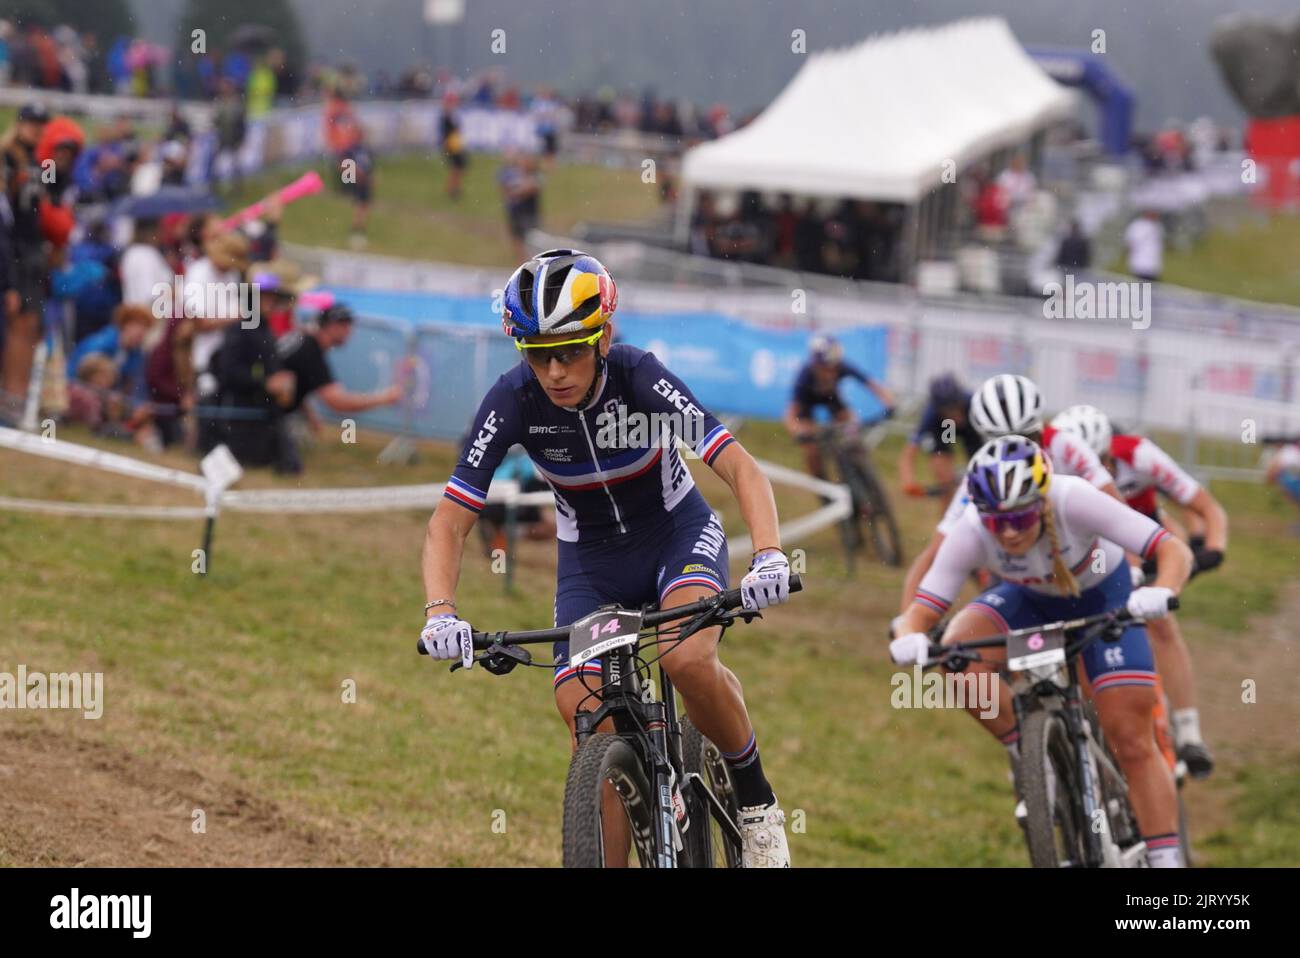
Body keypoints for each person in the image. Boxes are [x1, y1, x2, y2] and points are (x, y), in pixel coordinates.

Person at [419, 249, 793, 866]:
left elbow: (738, 466)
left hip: (676, 535)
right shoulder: (512, 399)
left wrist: (771, 556)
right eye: (538, 355)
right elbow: (448, 522)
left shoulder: (639, 374)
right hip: (591, 562)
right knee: (583, 713)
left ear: (603, 338)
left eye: (569, 351)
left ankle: (756, 805)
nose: (554, 371)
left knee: (684, 657)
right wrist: (441, 611)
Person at [890, 435, 1193, 867]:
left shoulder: (1076, 500)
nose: (1009, 532)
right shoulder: (973, 529)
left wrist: (1162, 589)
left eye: (1021, 517)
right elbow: (921, 611)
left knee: (1130, 736)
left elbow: (1171, 549)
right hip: (1029, 601)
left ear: (1044, 501)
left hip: (1103, 597)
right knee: (957, 656)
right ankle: (1033, 757)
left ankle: (1166, 859)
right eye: (997, 522)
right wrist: (910, 636)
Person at [1052, 404, 1228, 778]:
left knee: (1159, 622)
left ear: (1110, 453)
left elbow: (1206, 506)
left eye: (1103, 464)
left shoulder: (1140, 455)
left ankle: (1188, 729)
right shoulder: (1055, 471)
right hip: (1090, 548)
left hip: (1144, 537)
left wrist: (1213, 548)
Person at [896, 374, 1121, 621]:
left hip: (1085, 565)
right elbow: (934, 552)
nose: (1018, 452)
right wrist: (908, 622)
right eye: (1003, 443)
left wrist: (1134, 568)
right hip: (1022, 574)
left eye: (1027, 438)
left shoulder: (1064, 445)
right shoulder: (977, 468)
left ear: (1039, 429)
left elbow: (1115, 507)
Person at [273, 303, 403, 474]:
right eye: (346, 326)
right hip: (260, 414)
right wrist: (383, 398)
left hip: (254, 405)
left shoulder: (303, 340)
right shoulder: (310, 349)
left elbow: (292, 375)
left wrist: (308, 412)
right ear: (333, 326)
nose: (350, 332)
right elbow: (339, 402)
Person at [783, 334, 895, 482]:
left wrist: (889, 403)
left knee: (850, 425)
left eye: (834, 367)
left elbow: (871, 384)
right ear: (816, 365)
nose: (831, 372)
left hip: (832, 400)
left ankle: (858, 463)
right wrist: (797, 431)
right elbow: (790, 414)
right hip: (807, 405)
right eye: (826, 368)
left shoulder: (841, 365)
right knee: (811, 450)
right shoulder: (805, 376)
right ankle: (822, 485)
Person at [1, 102, 49, 413]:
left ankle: (16, 396)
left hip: (33, 250)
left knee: (30, 324)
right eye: (30, 121)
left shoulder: (36, 161)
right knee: (17, 325)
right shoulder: (7, 157)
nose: (35, 128)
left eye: (40, 123)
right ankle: (10, 396)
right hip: (12, 249)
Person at [898, 373, 981, 508]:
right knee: (946, 483)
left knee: (980, 464)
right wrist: (908, 481)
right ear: (938, 409)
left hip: (971, 427)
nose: (954, 414)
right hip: (946, 428)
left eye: (956, 407)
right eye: (947, 410)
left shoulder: (973, 402)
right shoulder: (931, 414)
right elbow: (909, 452)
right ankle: (948, 520)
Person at [1124, 209, 1164, 283]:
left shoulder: (1158, 226)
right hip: (1140, 264)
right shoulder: (1138, 225)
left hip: (1153, 266)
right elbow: (1131, 242)